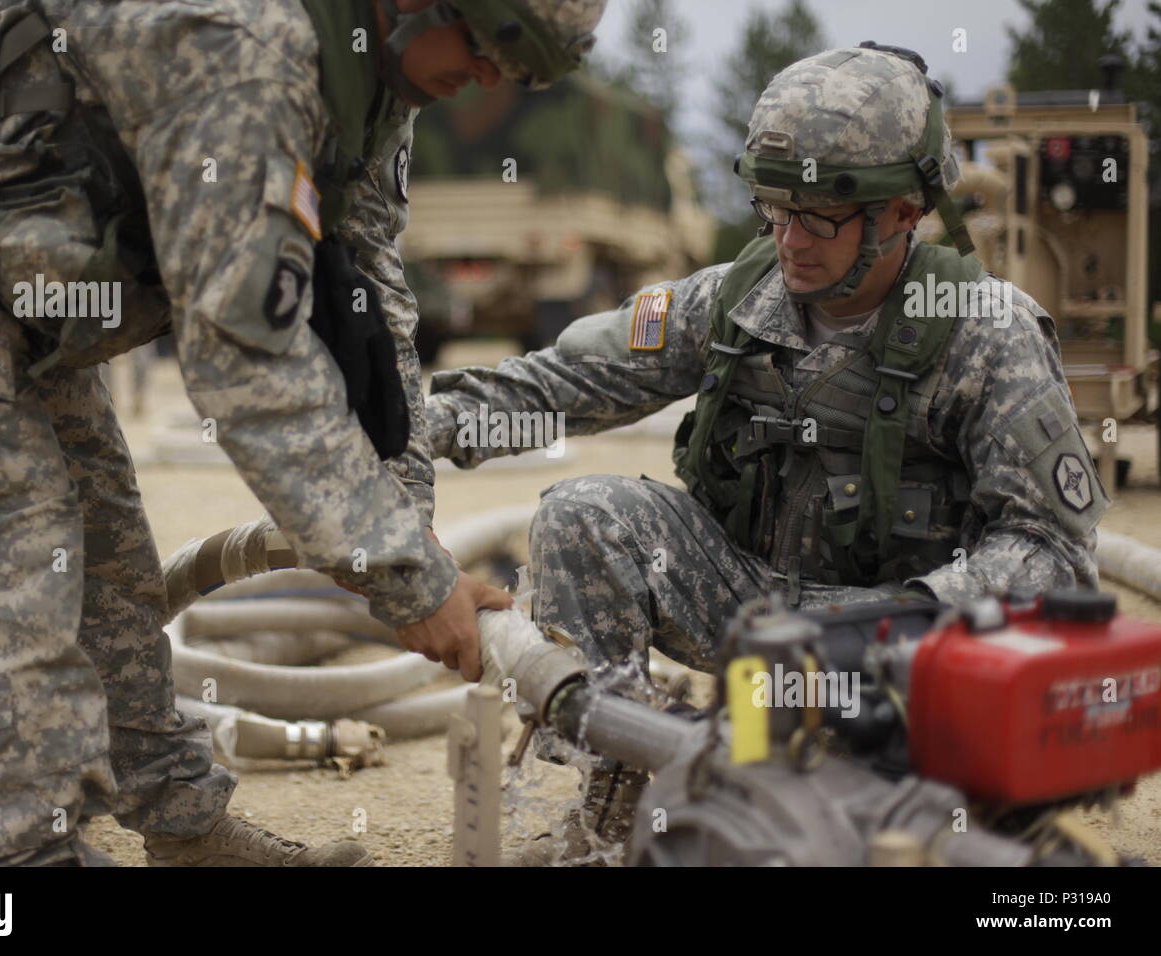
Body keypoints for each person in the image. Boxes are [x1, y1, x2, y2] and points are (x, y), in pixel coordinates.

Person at [0, 0, 607, 866]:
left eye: (520, 74)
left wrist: (407, 524)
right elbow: (247, 365)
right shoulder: (244, 43)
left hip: (17, 270)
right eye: (492, 46)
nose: (487, 81)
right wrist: (411, 583)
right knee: (6, 536)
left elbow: (366, 288)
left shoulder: (369, 77)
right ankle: (21, 859)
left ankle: (185, 832)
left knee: (104, 553)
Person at [425, 43, 1109, 864]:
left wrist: (896, 623)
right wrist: (410, 434)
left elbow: (1055, 556)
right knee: (583, 515)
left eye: (817, 217)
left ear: (901, 211)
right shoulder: (736, 298)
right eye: (771, 209)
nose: (788, 240)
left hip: (901, 645)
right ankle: (622, 787)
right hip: (751, 610)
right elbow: (556, 386)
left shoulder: (985, 331)